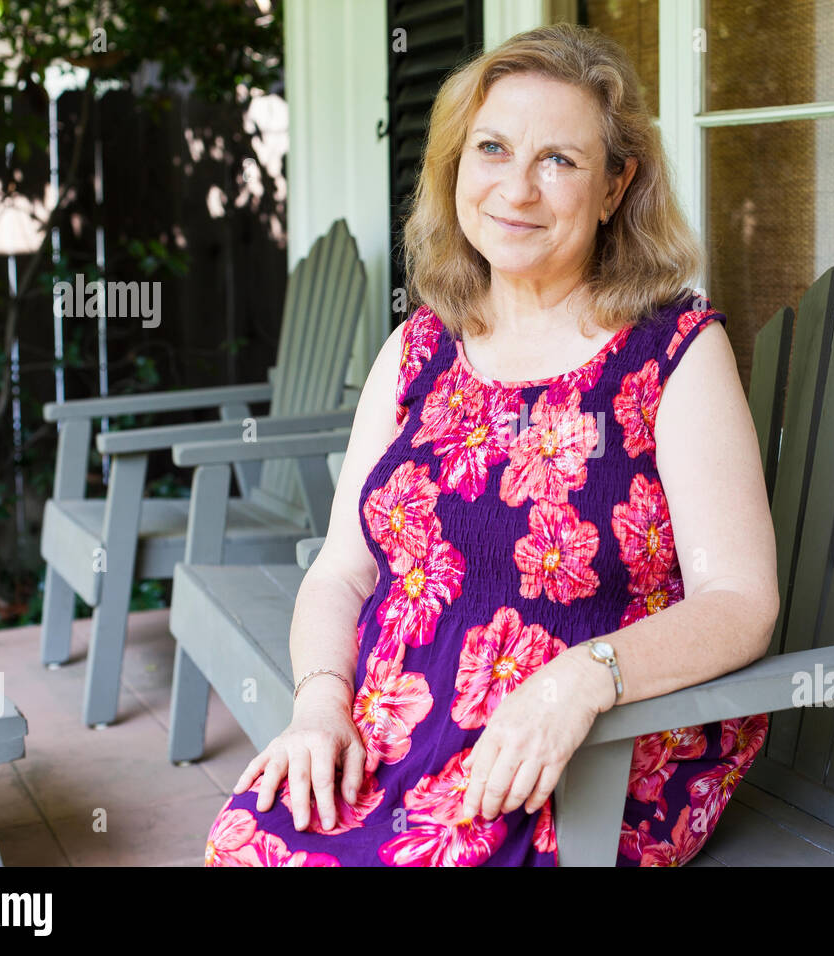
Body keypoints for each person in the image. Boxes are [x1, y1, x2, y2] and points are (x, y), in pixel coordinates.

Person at [204, 22, 778, 867]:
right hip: (393, 729)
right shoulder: (418, 350)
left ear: (616, 187)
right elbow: (342, 570)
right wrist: (320, 703)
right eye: (494, 149)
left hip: (591, 749)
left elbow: (740, 601)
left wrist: (585, 679)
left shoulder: (673, 351)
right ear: (457, 167)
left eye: (559, 160)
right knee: (244, 847)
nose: (517, 188)